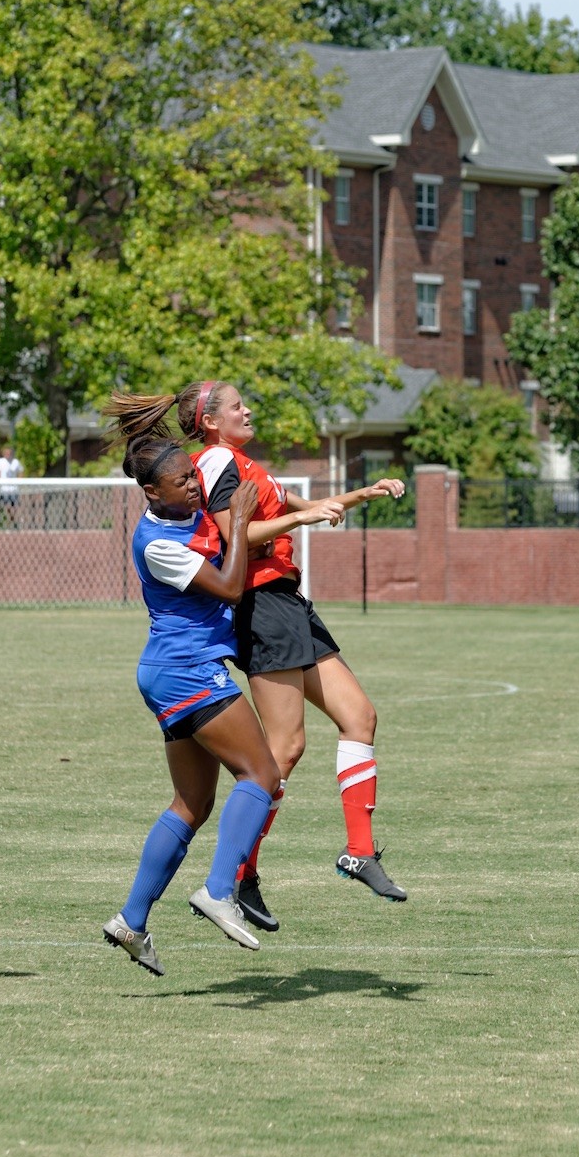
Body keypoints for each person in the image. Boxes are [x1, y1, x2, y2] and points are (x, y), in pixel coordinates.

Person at [177, 381, 409, 927]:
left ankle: (359, 852)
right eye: (237, 405)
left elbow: (307, 507)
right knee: (283, 749)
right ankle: (237, 875)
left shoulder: (246, 465)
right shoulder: (215, 461)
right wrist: (303, 518)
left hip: (288, 601)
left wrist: (364, 494)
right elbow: (238, 533)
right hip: (262, 605)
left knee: (360, 717)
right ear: (210, 421)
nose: (247, 410)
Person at [97, 394, 283, 975]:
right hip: (187, 671)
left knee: (192, 804)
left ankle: (131, 920)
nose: (195, 486)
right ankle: (219, 890)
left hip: (174, 672)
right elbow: (229, 587)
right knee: (262, 774)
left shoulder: (186, 512)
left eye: (192, 476)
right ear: (153, 493)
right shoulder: (156, 543)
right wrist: (243, 520)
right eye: (182, 482)